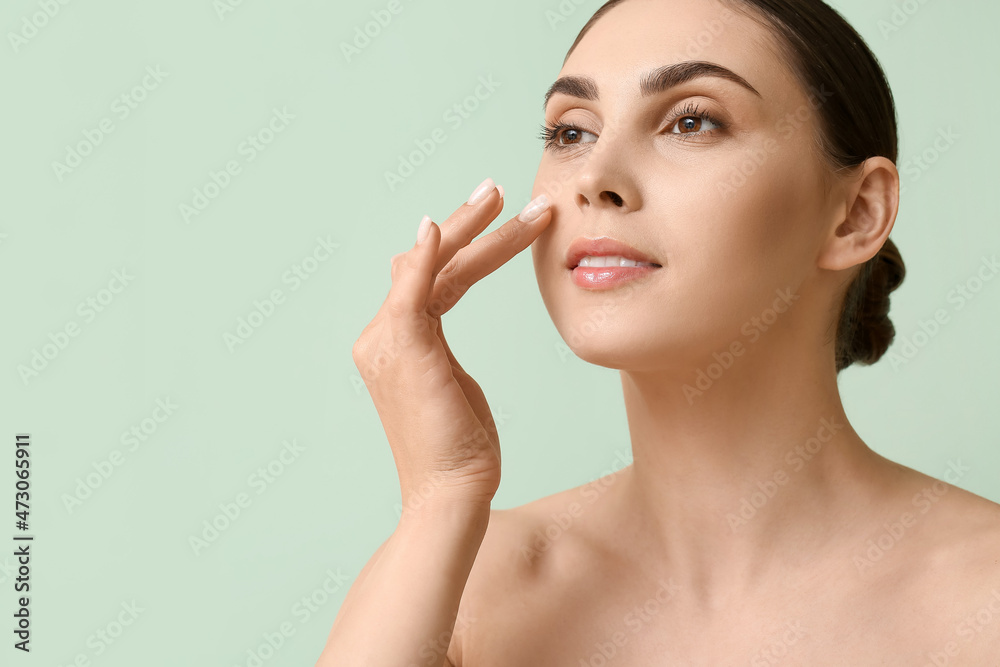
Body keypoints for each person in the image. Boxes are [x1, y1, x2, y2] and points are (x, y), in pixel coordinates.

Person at [319, 0, 1000, 663]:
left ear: (856, 213)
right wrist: (442, 492)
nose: (595, 177)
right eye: (571, 131)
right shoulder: (469, 585)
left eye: (691, 121)